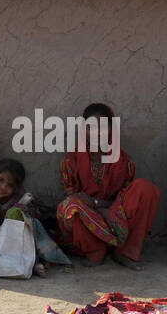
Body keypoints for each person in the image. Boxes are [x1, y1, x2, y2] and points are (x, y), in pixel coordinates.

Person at [56, 102, 159, 271]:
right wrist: (94, 206)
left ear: (112, 129)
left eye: (103, 128)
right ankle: (95, 251)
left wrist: (98, 204)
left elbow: (124, 198)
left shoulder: (124, 162)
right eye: (91, 128)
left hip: (116, 217)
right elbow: (74, 197)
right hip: (88, 219)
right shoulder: (71, 160)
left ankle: (124, 252)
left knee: (145, 188)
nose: (97, 133)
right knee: (70, 206)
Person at [0, 158, 71, 276]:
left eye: (10, 185)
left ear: (16, 188)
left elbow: (35, 219)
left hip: (15, 243)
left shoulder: (20, 200)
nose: (3, 187)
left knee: (24, 220)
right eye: (0, 180)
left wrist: (24, 211)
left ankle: (33, 263)